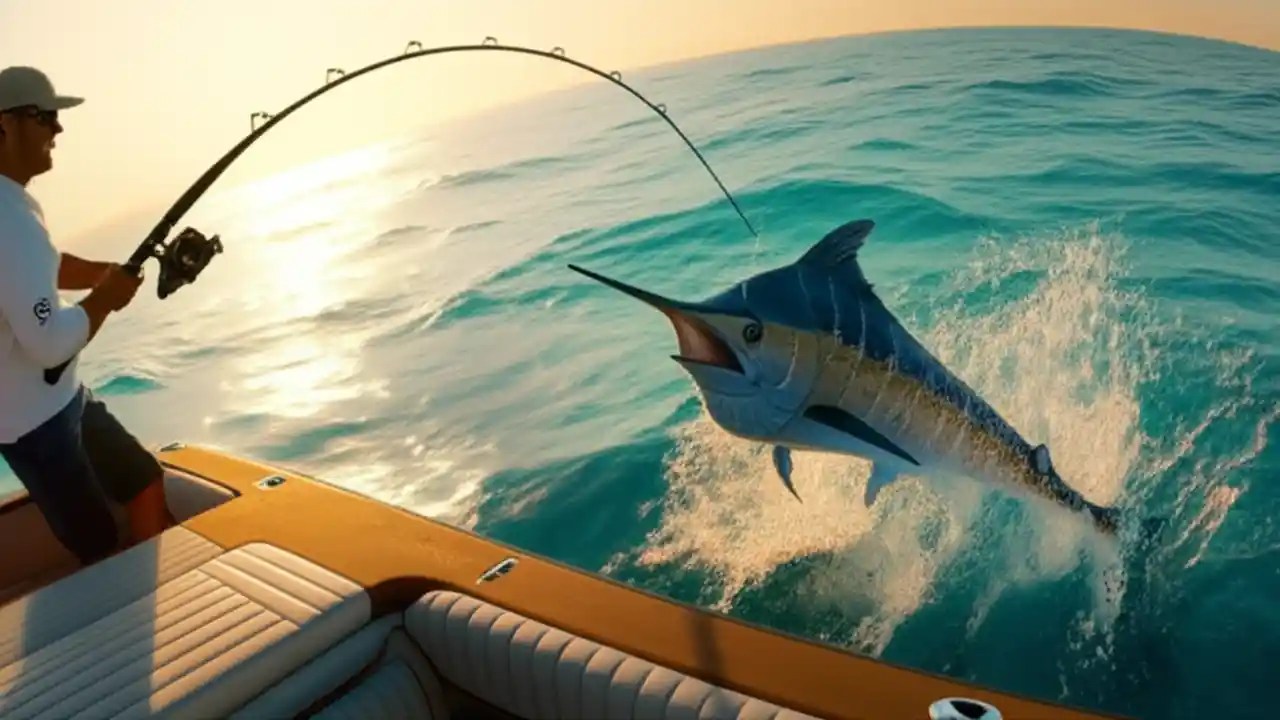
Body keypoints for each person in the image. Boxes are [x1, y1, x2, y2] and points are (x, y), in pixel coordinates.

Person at [0, 65, 174, 567]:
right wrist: (106, 300)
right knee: (98, 545)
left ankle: (157, 589)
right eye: (46, 117)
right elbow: (51, 343)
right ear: (4, 125)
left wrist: (101, 274)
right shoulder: (7, 220)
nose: (58, 130)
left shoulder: (13, 207)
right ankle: (121, 631)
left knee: (142, 480)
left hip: (64, 398)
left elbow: (39, 266)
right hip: (33, 426)